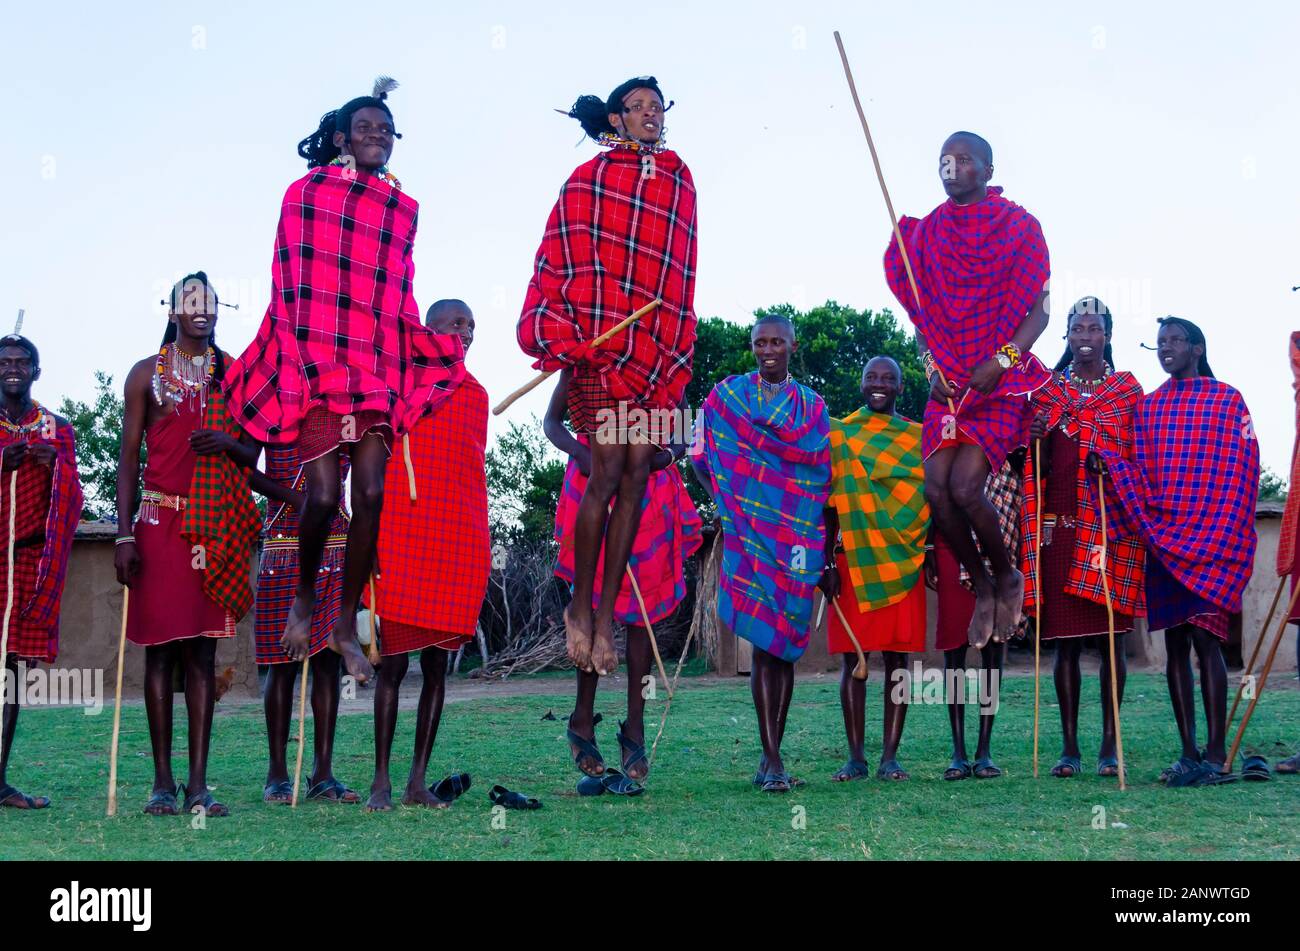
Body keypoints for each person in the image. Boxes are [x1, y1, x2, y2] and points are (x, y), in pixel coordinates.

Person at [224, 77, 466, 685]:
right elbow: (293, 279)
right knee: (325, 497)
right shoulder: (303, 195)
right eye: (365, 127)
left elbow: (397, 288)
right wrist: (293, 355)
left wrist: (413, 341)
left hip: (376, 364)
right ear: (340, 138)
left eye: (386, 129)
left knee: (374, 497)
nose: (377, 135)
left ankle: (341, 622)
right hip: (320, 363)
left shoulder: (401, 210)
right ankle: (306, 598)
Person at [518, 76, 697, 680]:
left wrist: (666, 329)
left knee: (637, 475)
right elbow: (560, 255)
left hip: (654, 345)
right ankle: (582, 606)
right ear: (616, 120)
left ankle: (607, 614)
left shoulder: (678, 176)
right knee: (609, 473)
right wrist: (582, 325)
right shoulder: (586, 180)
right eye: (638, 107)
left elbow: (679, 262)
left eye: (657, 106)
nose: (650, 114)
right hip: (597, 348)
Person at [885, 131, 1050, 650]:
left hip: (998, 381)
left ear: (987, 167)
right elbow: (919, 316)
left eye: (962, 160)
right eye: (943, 161)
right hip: (948, 383)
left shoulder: (1020, 228)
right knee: (936, 489)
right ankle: (980, 585)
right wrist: (930, 365)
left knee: (965, 487)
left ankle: (1006, 575)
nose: (950, 168)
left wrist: (1001, 362)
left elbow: (1039, 311)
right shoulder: (925, 234)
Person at [116, 273, 261, 816]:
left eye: (209, 302)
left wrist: (229, 442)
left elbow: (252, 454)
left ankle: (199, 785)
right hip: (157, 524)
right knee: (158, 655)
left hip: (215, 525)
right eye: (190, 302)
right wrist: (124, 532)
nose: (202, 310)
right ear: (173, 310)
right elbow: (128, 459)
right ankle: (161, 783)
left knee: (202, 653)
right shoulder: (144, 376)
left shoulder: (234, 375)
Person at [1093, 318, 1259, 787]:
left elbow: (1243, 468)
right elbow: (1138, 466)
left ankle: (1216, 751)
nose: (1165, 349)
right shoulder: (1148, 408)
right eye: (1159, 343)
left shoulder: (1227, 401)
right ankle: (1188, 751)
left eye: (1174, 341)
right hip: (1165, 542)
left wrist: (1224, 526)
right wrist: (1108, 465)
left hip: (1213, 541)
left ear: (1197, 347)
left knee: (1209, 643)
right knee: (1176, 646)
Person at [692, 314, 831, 793]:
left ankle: (772, 754)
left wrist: (824, 555)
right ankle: (772, 758)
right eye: (760, 342)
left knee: (785, 649)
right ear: (751, 346)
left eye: (777, 341)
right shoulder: (726, 397)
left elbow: (820, 477)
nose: (768, 349)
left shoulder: (812, 407)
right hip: (747, 534)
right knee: (762, 644)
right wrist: (725, 505)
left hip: (795, 541)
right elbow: (698, 452)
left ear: (793, 345)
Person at [546, 368, 701, 791]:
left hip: (650, 492)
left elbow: (684, 438)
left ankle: (634, 727)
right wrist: (584, 457)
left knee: (642, 614)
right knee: (595, 602)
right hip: (593, 483)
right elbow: (551, 422)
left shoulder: (669, 371)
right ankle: (582, 717)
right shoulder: (588, 363)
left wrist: (660, 458)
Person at [364, 300, 488, 811]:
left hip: (454, 539)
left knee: (437, 668)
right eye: (456, 324)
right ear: (428, 330)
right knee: (392, 666)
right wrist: (368, 540)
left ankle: (417, 781)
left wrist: (477, 545)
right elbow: (370, 471)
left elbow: (471, 476)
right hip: (400, 535)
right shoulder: (397, 387)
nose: (465, 332)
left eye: (471, 326)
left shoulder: (476, 395)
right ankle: (380, 782)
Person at [1021, 298, 1144, 778]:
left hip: (1110, 531)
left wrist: (1110, 465)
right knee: (1064, 644)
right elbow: (1039, 469)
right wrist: (1036, 438)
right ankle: (1069, 747)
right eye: (1077, 328)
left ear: (1108, 335)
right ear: (1067, 337)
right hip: (1061, 529)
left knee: (1111, 640)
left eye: (1094, 327)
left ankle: (1110, 745)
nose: (1085, 334)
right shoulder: (1046, 393)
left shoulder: (1127, 393)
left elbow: (1140, 459)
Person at [822, 357, 929, 782]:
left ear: (902, 388)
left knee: (898, 659)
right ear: (861, 384)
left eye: (888, 379)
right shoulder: (843, 433)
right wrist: (827, 560)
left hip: (904, 559)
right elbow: (829, 501)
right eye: (871, 378)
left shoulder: (919, 439)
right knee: (853, 658)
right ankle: (855, 756)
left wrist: (932, 554)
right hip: (854, 558)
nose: (879, 385)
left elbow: (928, 500)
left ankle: (890, 757)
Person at [0, 333, 82, 810]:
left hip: (28, 562)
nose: (13, 368)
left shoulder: (57, 428)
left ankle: (0, 779)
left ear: (36, 371)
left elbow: (73, 499)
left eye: (22, 362)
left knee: (9, 674)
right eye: (5, 362)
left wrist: (56, 468)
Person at [250, 444, 357, 803]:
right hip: (284, 539)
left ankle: (323, 773)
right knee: (282, 663)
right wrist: (302, 501)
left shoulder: (341, 401)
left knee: (329, 661)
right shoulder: (270, 398)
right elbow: (245, 469)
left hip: (336, 538)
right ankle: (277, 773)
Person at [930, 459, 1023, 780]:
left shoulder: (1004, 427)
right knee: (954, 649)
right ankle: (958, 751)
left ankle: (984, 750)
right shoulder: (946, 419)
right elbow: (934, 488)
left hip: (998, 540)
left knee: (993, 648)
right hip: (952, 546)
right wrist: (930, 547)